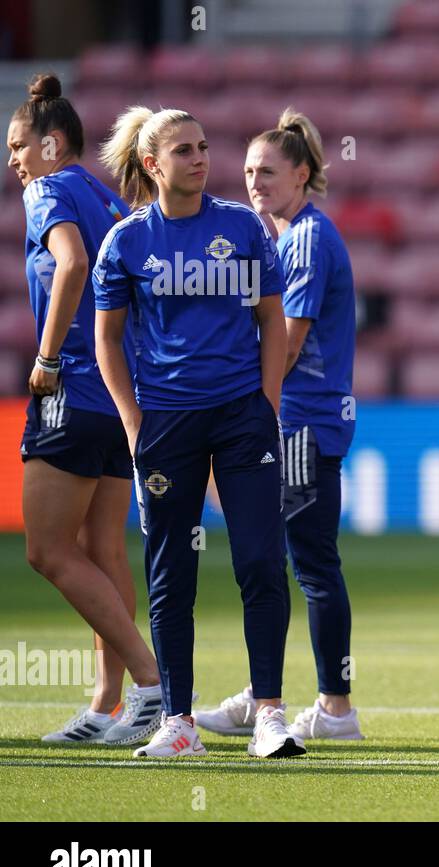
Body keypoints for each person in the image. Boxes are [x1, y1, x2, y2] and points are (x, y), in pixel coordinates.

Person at [93, 105, 301, 759]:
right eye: (184, 149)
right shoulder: (125, 242)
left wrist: (266, 403)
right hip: (166, 424)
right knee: (170, 574)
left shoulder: (240, 228)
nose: (201, 157)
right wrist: (133, 419)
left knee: (261, 560)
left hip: (242, 418)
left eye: (204, 145)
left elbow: (274, 319)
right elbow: (106, 339)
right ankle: (177, 723)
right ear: (153, 165)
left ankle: (268, 712)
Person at [7, 73, 164, 747]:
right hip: (114, 392)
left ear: (51, 143)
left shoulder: (49, 190)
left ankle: (157, 687)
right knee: (103, 548)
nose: (12, 159)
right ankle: (108, 705)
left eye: (17, 145)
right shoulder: (104, 197)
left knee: (45, 550)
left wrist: (44, 361)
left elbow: (69, 266)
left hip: (71, 385)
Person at [196, 109, 362, 742]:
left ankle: (334, 708)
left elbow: (286, 347)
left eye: (267, 171)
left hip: (300, 421)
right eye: (247, 172)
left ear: (302, 173)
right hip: (297, 418)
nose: (254, 181)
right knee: (286, 559)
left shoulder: (307, 240)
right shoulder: (286, 237)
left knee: (310, 562)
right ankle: (268, 694)